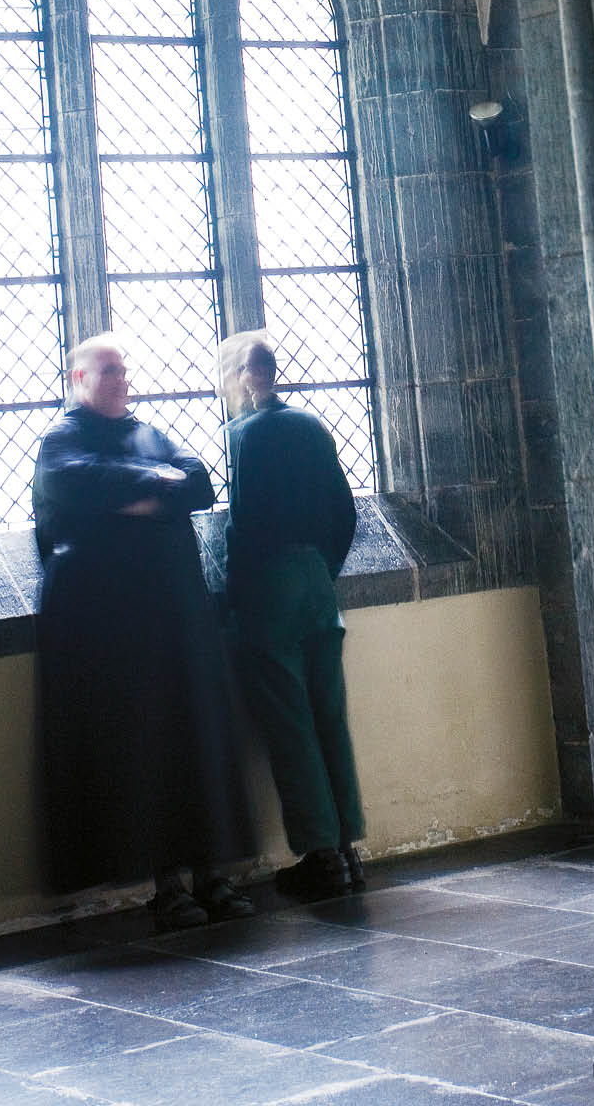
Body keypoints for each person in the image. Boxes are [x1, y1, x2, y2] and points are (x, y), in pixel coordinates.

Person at [32, 334, 256, 930]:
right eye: (107, 371)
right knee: (143, 752)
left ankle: (211, 876)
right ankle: (168, 885)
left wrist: (139, 492)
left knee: (194, 744)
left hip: (175, 621)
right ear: (78, 379)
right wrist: (158, 487)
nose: (121, 380)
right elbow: (81, 484)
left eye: (124, 371)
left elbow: (200, 481)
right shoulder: (59, 440)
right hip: (113, 633)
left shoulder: (151, 433)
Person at [218, 330, 366, 899]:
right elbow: (344, 512)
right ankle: (349, 848)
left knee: (290, 722)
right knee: (330, 714)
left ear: (244, 376)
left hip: (270, 587)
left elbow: (245, 523)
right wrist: (321, 569)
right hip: (317, 585)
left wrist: (237, 594)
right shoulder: (311, 426)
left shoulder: (242, 435)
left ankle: (320, 855)